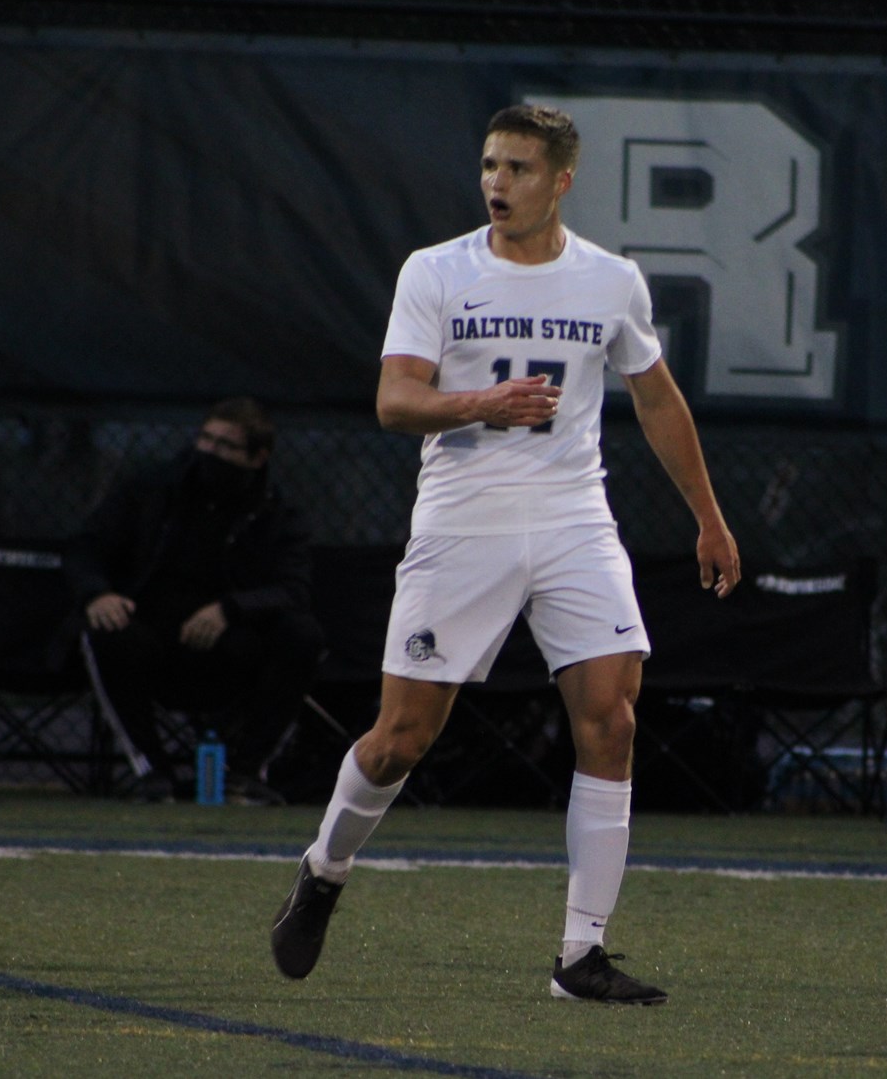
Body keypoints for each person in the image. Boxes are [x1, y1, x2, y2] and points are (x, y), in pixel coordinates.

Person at [270, 104, 741, 1004]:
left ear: (562, 180)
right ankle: (324, 870)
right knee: (400, 740)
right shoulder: (437, 270)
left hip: (575, 520)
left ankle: (580, 955)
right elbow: (394, 401)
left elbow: (658, 401)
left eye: (519, 168)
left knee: (613, 718)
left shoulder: (611, 280)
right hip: (464, 520)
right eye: (490, 164)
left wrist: (709, 518)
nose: (497, 182)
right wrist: (478, 404)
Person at [66, 396, 322, 804]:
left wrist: (230, 609)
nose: (209, 453)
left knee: (301, 634)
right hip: (151, 632)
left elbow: (293, 590)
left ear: (257, 457)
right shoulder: (151, 490)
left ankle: (245, 774)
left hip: (234, 647)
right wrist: (97, 592)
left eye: (225, 446)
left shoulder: (277, 514)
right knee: (107, 631)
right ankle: (153, 772)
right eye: (205, 439)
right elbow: (87, 549)